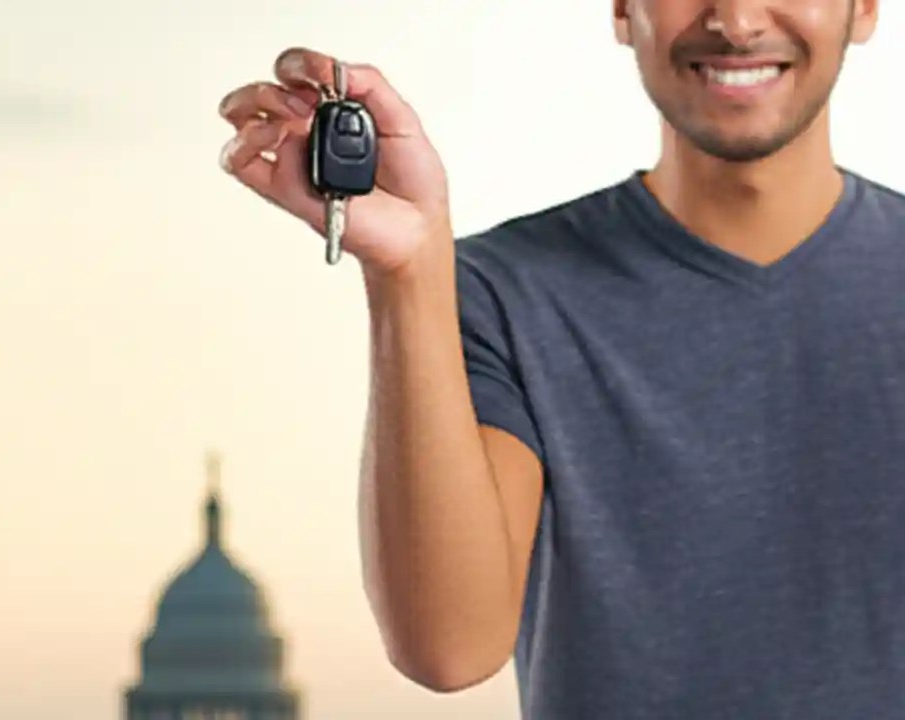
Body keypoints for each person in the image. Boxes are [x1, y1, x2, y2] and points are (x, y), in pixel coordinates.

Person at [216, 1, 904, 718]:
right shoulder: (498, 293)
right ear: (622, 9)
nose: (734, 19)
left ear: (863, 8)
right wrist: (408, 272)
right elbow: (450, 647)